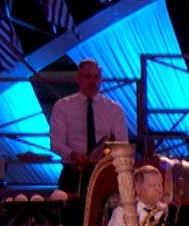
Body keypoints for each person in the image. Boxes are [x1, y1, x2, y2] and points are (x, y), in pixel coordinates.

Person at [48, 59, 130, 192]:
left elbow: (122, 144)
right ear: (78, 78)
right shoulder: (63, 106)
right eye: (87, 76)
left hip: (103, 172)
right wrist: (72, 154)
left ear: (101, 79)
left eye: (96, 77)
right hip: (73, 173)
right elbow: (56, 142)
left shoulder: (114, 109)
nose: (93, 81)